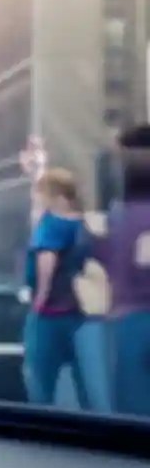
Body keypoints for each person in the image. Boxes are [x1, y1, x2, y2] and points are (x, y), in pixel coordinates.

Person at [89, 125, 150, 416]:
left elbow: (100, 256)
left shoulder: (117, 217)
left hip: (127, 320)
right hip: (129, 318)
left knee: (130, 411)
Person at [22, 168, 92, 407]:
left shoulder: (51, 224)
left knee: (40, 381)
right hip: (79, 313)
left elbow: (47, 261)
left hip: (49, 315)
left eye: (43, 195)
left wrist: (40, 299)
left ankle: (41, 431)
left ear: (58, 197)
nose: (41, 200)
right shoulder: (84, 225)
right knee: (85, 382)